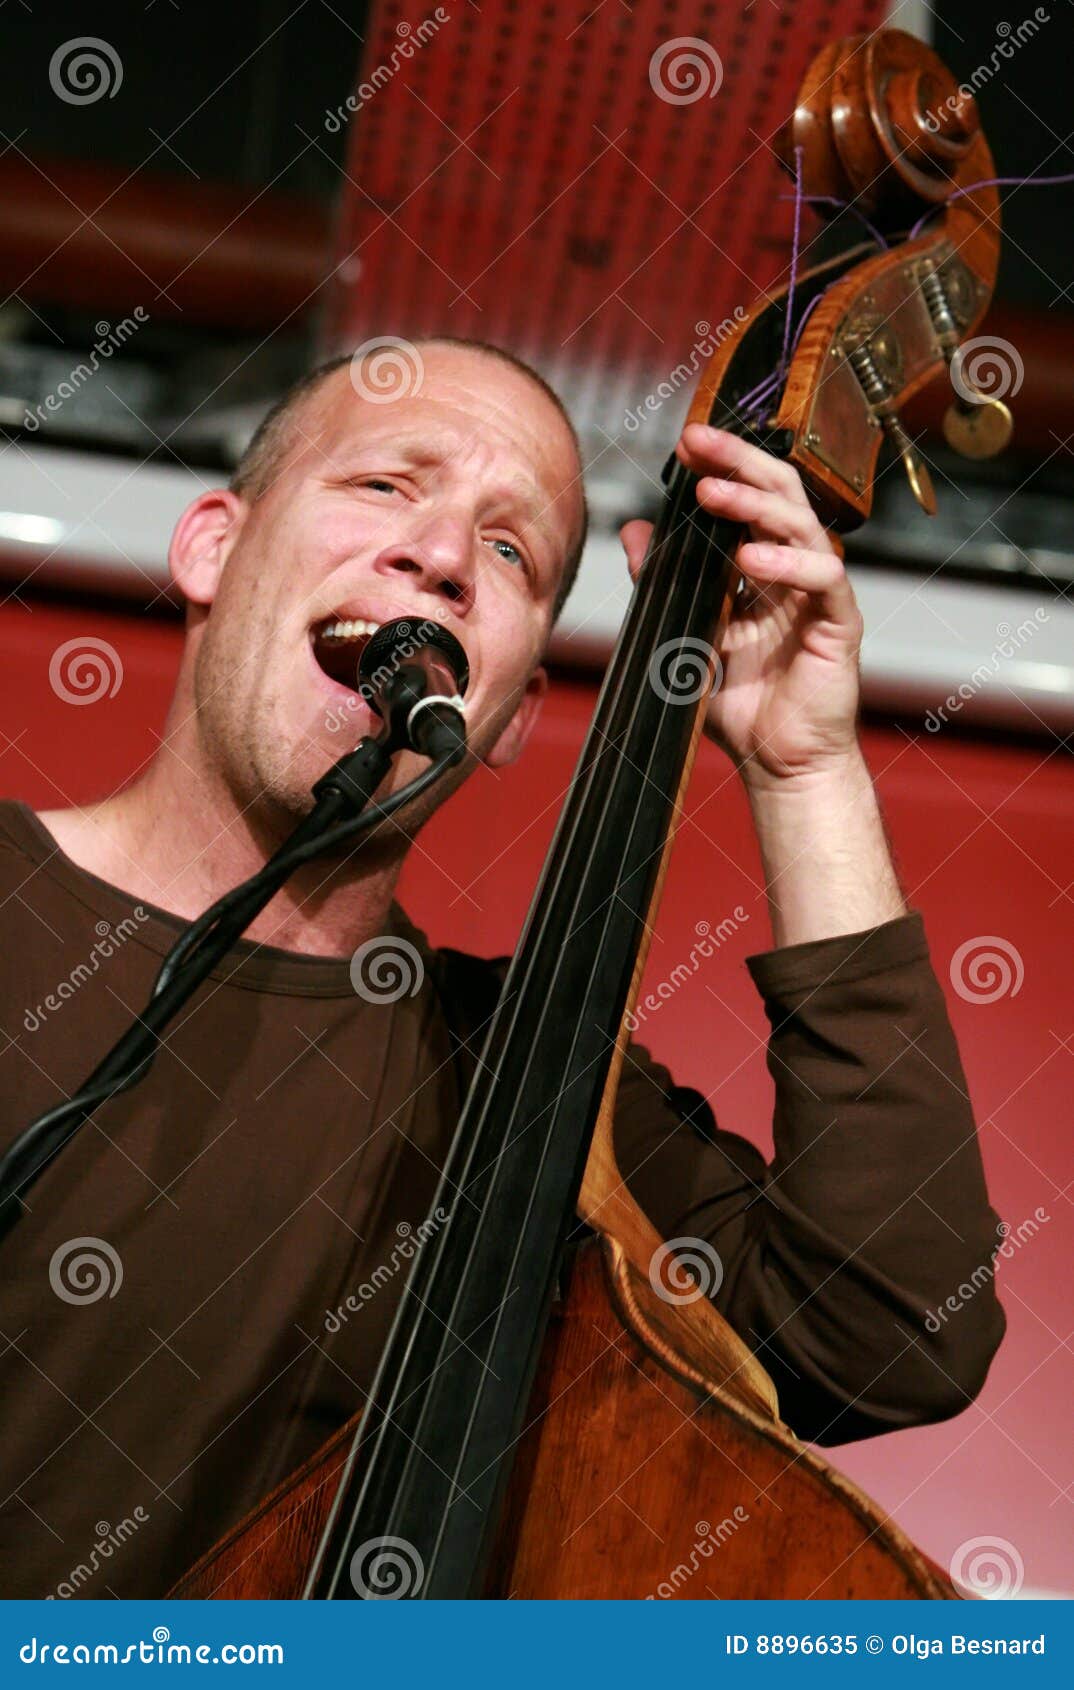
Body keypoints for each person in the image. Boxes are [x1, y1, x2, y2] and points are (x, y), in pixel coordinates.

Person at [0, 338, 1004, 1599]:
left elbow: (894, 1329)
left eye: (512, 548)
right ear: (209, 548)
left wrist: (806, 771)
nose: (441, 556)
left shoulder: (529, 1082)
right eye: (382, 486)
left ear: (518, 708)